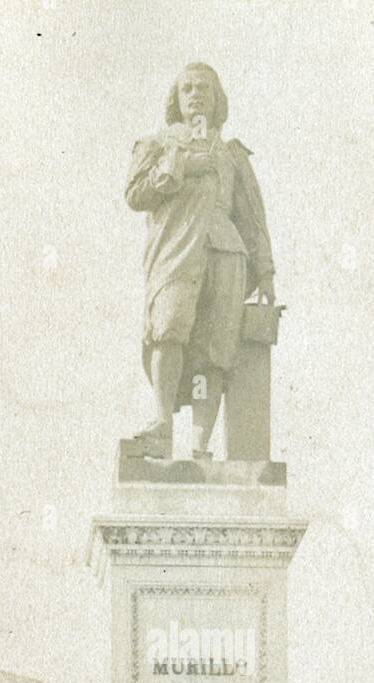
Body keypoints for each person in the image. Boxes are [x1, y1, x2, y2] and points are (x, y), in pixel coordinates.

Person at [126, 62, 276, 462]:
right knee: (170, 328)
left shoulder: (231, 155)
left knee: (215, 349)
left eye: (204, 89)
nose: (195, 95)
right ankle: (161, 424)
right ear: (176, 99)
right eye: (187, 88)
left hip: (225, 251)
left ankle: (199, 446)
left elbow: (252, 216)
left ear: (217, 99)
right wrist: (176, 167)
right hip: (176, 248)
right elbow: (134, 194)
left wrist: (265, 271)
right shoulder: (157, 144)